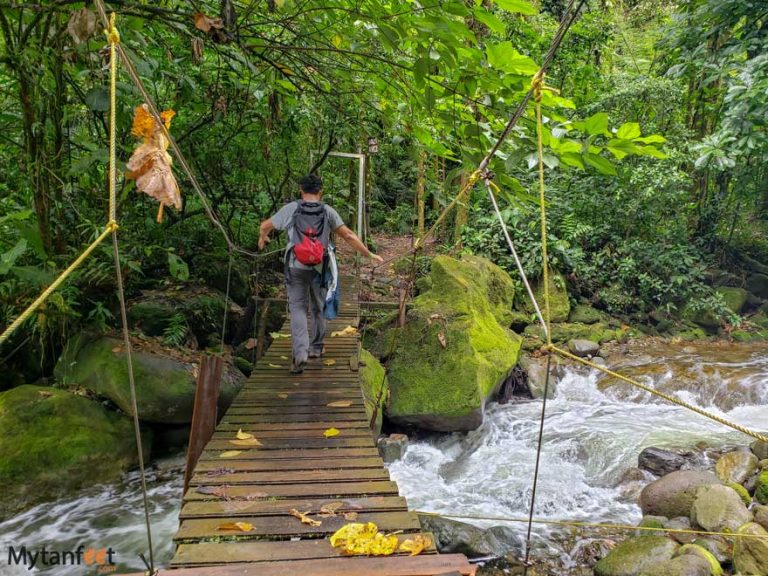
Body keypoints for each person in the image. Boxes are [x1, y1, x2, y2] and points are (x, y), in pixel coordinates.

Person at [258, 173, 383, 374]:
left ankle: (300, 354)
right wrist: (369, 254)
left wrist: (263, 238)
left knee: (298, 308)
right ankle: (316, 348)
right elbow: (349, 235)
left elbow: (265, 226)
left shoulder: (291, 209)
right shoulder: (327, 211)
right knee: (318, 306)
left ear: (301, 190)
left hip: (295, 266)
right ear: (320, 192)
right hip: (319, 267)